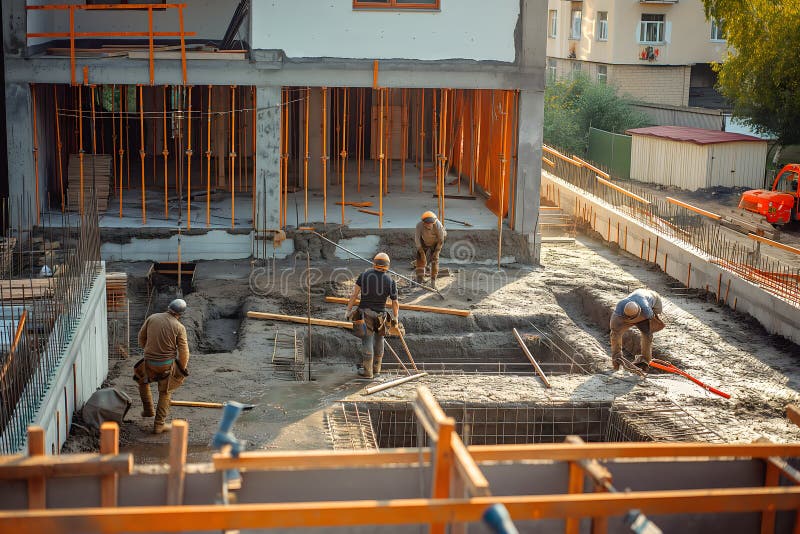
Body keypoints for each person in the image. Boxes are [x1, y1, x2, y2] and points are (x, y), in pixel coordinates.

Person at [134, 298, 190, 434]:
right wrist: (181, 369)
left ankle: (148, 410)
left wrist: (149, 350)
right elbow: (184, 352)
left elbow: (141, 338)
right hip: (166, 365)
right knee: (165, 392)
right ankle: (159, 425)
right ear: (180, 314)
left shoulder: (152, 318)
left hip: (148, 362)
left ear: (169, 307)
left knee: (142, 381)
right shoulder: (179, 327)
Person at [345, 252, 400, 379]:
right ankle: (377, 369)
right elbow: (395, 302)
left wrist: (348, 311)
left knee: (367, 339)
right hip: (381, 315)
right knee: (380, 339)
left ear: (374, 263)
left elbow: (354, 295)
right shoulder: (391, 281)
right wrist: (395, 317)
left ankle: (367, 371)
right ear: (387, 266)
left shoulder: (364, 276)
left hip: (365, 314)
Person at [609, 289, 664, 371]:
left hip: (654, 302)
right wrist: (615, 332)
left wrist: (649, 323)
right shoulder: (620, 306)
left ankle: (645, 360)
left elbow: (651, 316)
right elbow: (614, 327)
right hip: (636, 302)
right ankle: (616, 359)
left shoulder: (646, 309)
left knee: (647, 335)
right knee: (615, 334)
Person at [414, 211, 446, 283]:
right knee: (420, 260)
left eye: (430, 223)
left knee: (435, 260)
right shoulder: (419, 226)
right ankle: (419, 278)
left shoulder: (438, 225)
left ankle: (433, 280)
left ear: (434, 222)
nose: (429, 225)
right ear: (423, 222)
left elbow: (441, 240)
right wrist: (422, 254)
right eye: (427, 223)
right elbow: (417, 239)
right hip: (424, 241)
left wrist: (437, 252)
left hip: (436, 242)